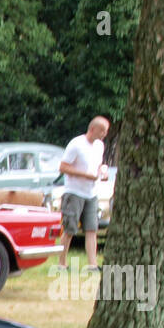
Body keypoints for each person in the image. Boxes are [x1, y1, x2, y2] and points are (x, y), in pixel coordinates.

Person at [57, 116, 111, 270]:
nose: (104, 134)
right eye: (102, 131)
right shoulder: (76, 144)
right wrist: (85, 175)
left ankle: (92, 265)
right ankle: (62, 263)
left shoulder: (99, 146)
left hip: (91, 193)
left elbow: (98, 164)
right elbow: (63, 167)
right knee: (70, 229)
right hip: (74, 192)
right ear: (92, 129)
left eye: (106, 132)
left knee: (92, 229)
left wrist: (102, 171)